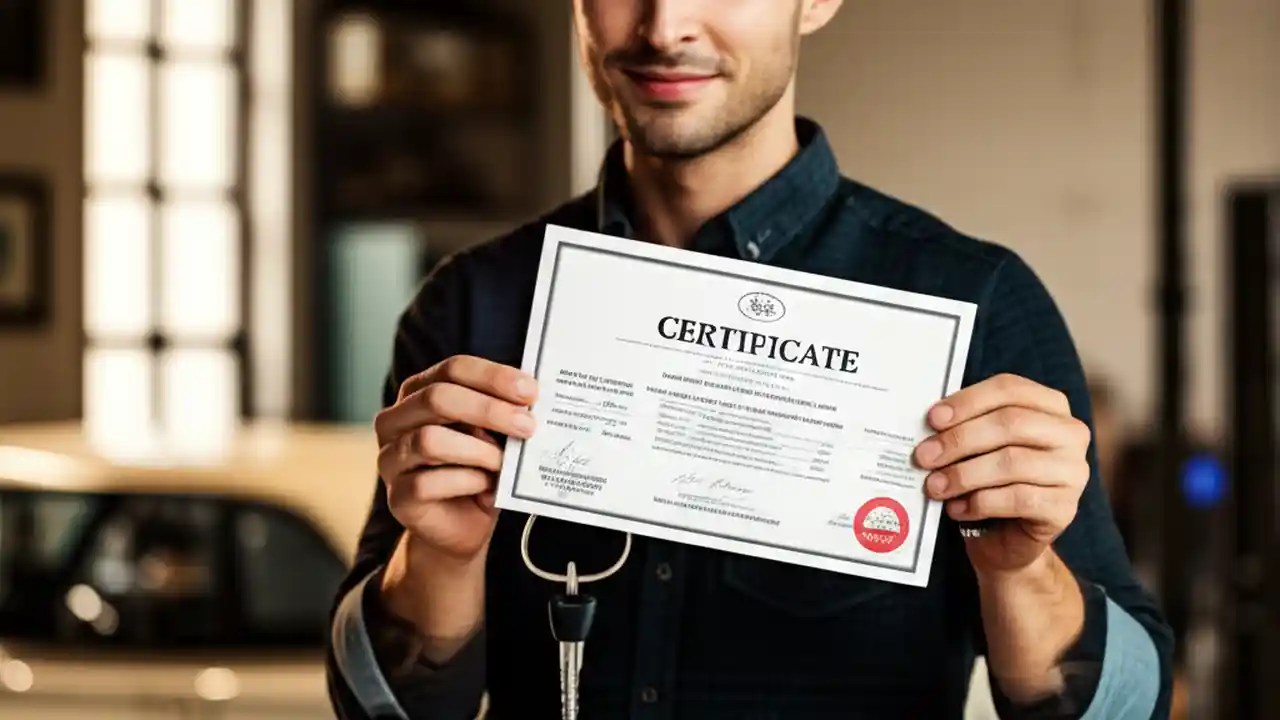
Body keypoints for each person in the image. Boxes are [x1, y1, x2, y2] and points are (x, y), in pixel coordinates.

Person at [326, 1, 1173, 717]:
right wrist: (437, 558)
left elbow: (1136, 701)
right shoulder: (472, 305)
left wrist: (1022, 573)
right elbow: (379, 701)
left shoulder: (975, 302)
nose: (664, 26)